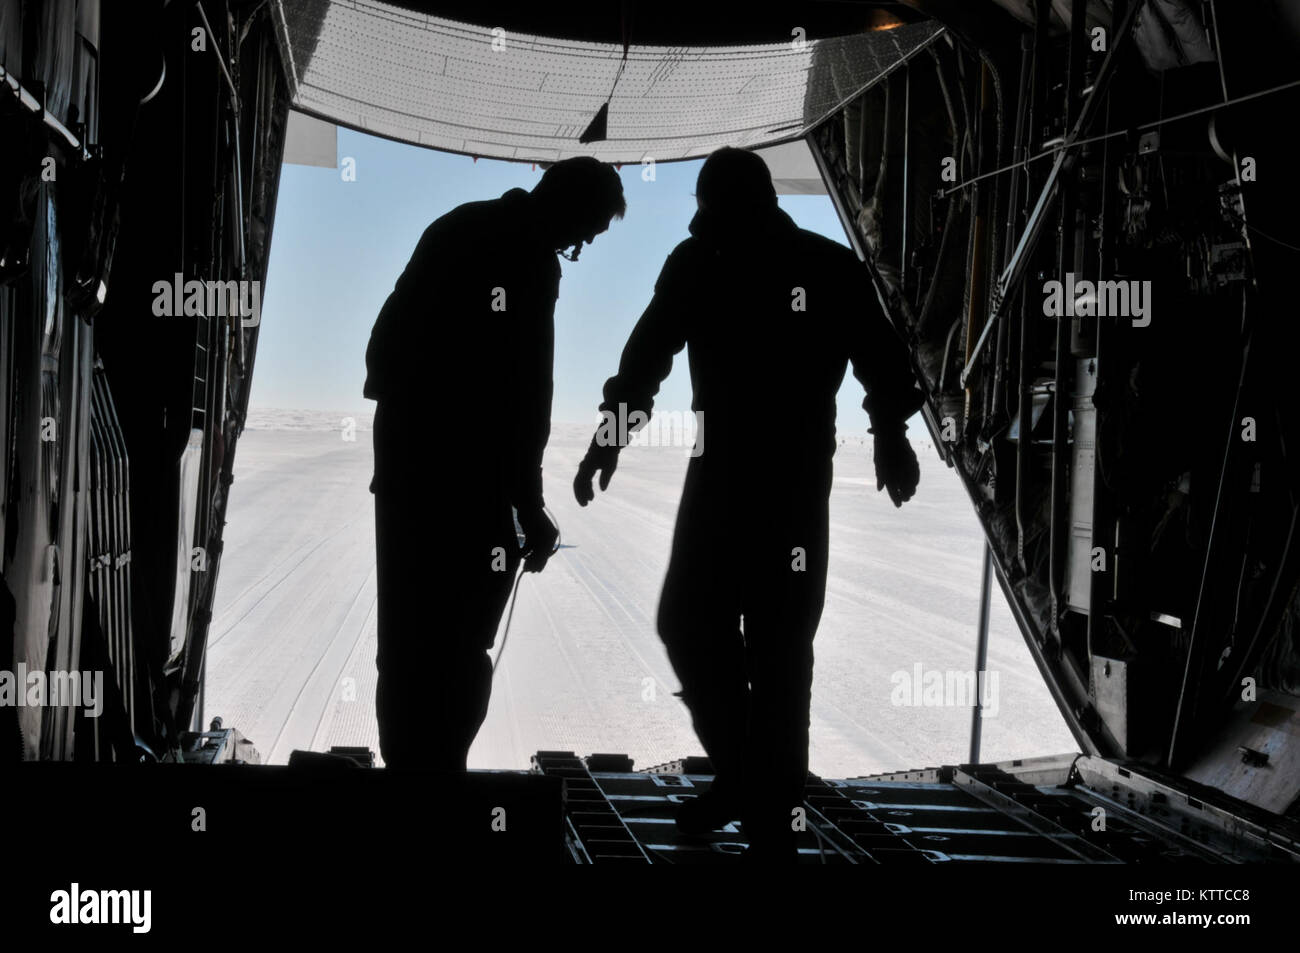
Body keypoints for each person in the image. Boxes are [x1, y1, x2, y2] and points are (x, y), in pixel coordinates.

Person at [573, 147, 923, 858]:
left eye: (712, 212)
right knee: (764, 646)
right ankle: (758, 792)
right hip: (783, 484)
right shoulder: (820, 264)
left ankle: (762, 804)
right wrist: (889, 433)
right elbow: (880, 357)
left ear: (732, 207)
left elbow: (646, 359)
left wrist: (609, 440)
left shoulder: (706, 262)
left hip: (744, 479)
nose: (705, 225)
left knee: (746, 640)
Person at [365, 157, 626, 770]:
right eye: (587, 231)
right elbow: (524, 390)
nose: (580, 244)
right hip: (469, 486)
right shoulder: (531, 259)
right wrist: (527, 505)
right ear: (568, 206)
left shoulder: (457, 226)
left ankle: (409, 780)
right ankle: (438, 778)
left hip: (406, 473)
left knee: (404, 644)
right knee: (462, 643)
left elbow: (383, 352)